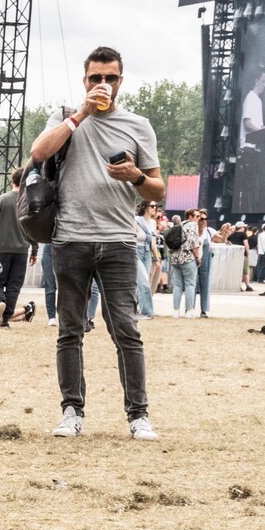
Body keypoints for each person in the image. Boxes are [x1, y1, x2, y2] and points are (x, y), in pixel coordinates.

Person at [28, 47, 165, 439]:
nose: (103, 85)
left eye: (111, 78)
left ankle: (138, 415)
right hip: (70, 238)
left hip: (120, 239)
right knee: (69, 329)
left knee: (126, 328)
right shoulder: (66, 116)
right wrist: (82, 113)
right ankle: (72, 411)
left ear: (121, 81)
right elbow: (38, 153)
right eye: (95, 78)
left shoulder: (139, 125)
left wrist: (137, 176)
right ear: (84, 80)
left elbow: (157, 190)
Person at [0, 177, 29, 327]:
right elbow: (33, 227)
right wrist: (35, 249)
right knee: (14, 285)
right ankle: (5, 319)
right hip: (22, 250)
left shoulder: (1, 200)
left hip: (1, 249)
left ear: (13, 180)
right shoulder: (29, 201)